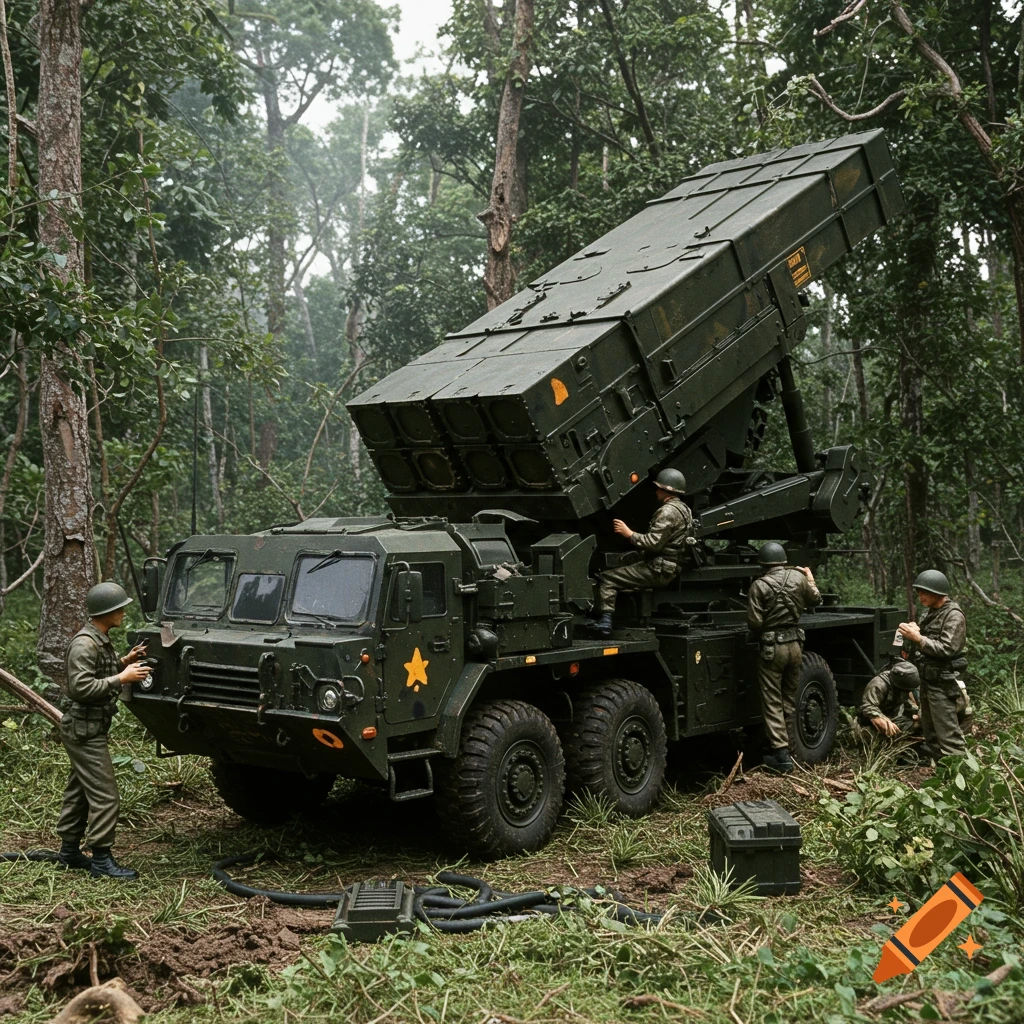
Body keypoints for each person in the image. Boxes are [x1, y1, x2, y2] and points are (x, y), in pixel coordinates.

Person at [55, 582, 151, 879]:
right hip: (84, 729)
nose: (123, 612)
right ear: (106, 612)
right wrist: (122, 677)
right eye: (120, 608)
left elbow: (98, 672)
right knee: (106, 796)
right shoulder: (85, 644)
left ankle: (69, 852)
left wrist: (125, 662)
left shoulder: (99, 639)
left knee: (81, 791)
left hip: (88, 726)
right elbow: (81, 687)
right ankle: (101, 860)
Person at [746, 542, 821, 774]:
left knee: (772, 703)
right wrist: (810, 579)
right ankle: (788, 743)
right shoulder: (798, 579)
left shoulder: (759, 586)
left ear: (763, 564)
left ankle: (782, 757)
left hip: (772, 649)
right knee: (788, 699)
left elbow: (755, 623)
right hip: (795, 645)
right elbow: (816, 599)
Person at [593, 468, 694, 636]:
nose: (655, 491)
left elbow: (653, 544)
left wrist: (628, 533)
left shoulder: (667, 511)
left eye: (658, 488)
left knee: (608, 578)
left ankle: (605, 622)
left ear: (666, 490)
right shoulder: (685, 510)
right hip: (667, 566)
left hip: (657, 568)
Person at [897, 569, 968, 759]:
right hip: (927, 680)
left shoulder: (953, 616)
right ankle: (943, 773)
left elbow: (947, 649)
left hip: (942, 683)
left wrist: (918, 638)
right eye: (919, 592)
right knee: (930, 733)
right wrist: (916, 633)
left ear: (938, 592)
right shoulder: (931, 613)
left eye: (925, 592)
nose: (921, 596)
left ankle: (962, 779)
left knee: (949, 735)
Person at [851, 659, 920, 745]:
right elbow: (868, 706)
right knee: (871, 736)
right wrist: (881, 718)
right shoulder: (879, 684)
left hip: (894, 719)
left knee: (917, 725)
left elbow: (907, 702)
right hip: (870, 722)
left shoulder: (905, 687)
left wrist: (918, 713)